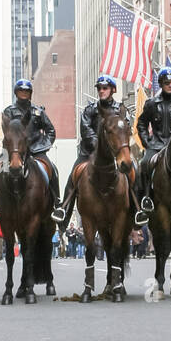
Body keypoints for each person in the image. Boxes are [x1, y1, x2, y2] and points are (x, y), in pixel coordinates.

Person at [0, 79, 59, 218]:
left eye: (26, 91)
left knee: (52, 169)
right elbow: (6, 131)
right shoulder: (9, 111)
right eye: (21, 91)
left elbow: (51, 131)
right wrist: (14, 148)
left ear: (30, 93)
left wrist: (40, 147)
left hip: (35, 151)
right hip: (13, 151)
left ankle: (58, 205)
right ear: (16, 93)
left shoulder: (38, 112)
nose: (23, 93)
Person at [57, 74, 132, 228]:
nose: (101, 91)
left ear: (112, 90)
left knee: (134, 171)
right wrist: (100, 147)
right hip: (89, 154)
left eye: (105, 88)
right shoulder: (90, 109)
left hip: (116, 154)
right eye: (99, 88)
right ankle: (64, 211)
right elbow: (86, 130)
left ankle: (137, 209)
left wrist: (117, 147)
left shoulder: (121, 110)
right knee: (73, 176)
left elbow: (126, 128)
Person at [135, 65, 171, 217]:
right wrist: (147, 142)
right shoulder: (152, 103)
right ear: (161, 84)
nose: (170, 85)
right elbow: (141, 123)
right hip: (157, 145)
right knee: (144, 163)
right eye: (167, 83)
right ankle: (145, 198)